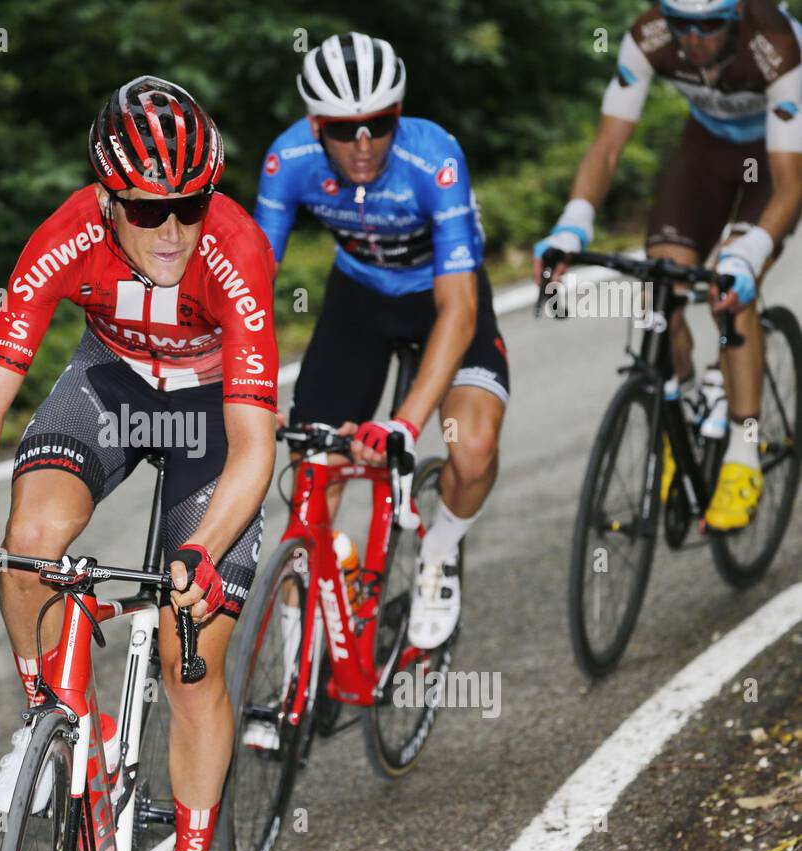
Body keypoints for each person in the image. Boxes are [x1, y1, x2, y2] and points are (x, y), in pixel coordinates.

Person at [0, 77, 278, 851]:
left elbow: (254, 443)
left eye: (192, 203)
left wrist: (201, 551)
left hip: (210, 413)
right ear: (107, 200)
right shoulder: (65, 235)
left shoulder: (237, 249)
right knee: (30, 541)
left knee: (193, 658)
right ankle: (62, 723)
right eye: (147, 210)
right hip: (110, 382)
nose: (173, 230)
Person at [255, 32, 508, 652]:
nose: (362, 144)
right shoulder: (287, 162)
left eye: (377, 124)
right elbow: (254, 285)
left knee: (470, 450)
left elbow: (458, 307)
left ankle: (440, 552)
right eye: (344, 129)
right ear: (317, 125)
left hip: (440, 303)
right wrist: (240, 385)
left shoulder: (435, 159)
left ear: (398, 115)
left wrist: (404, 424)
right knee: (316, 470)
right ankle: (296, 656)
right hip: (359, 301)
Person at [535, 0, 802, 529]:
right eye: (683, 24)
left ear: (735, 17)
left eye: (708, 25)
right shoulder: (650, 36)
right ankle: (674, 416)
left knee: (730, 292)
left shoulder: (775, 46)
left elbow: (790, 184)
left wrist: (748, 257)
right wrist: (573, 223)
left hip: (775, 159)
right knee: (660, 284)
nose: (693, 37)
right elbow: (608, 146)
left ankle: (744, 455)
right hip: (706, 148)